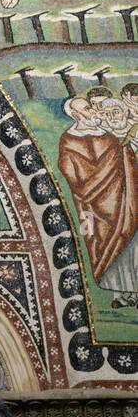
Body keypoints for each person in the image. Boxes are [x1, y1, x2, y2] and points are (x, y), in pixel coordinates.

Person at [58, 97, 138, 308]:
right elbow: (69, 171)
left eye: (91, 106)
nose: (92, 110)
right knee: (102, 245)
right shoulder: (69, 140)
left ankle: (134, 294)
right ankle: (120, 295)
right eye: (86, 108)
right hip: (91, 207)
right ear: (75, 115)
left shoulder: (109, 136)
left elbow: (126, 158)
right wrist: (90, 187)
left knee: (128, 244)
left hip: (121, 202)